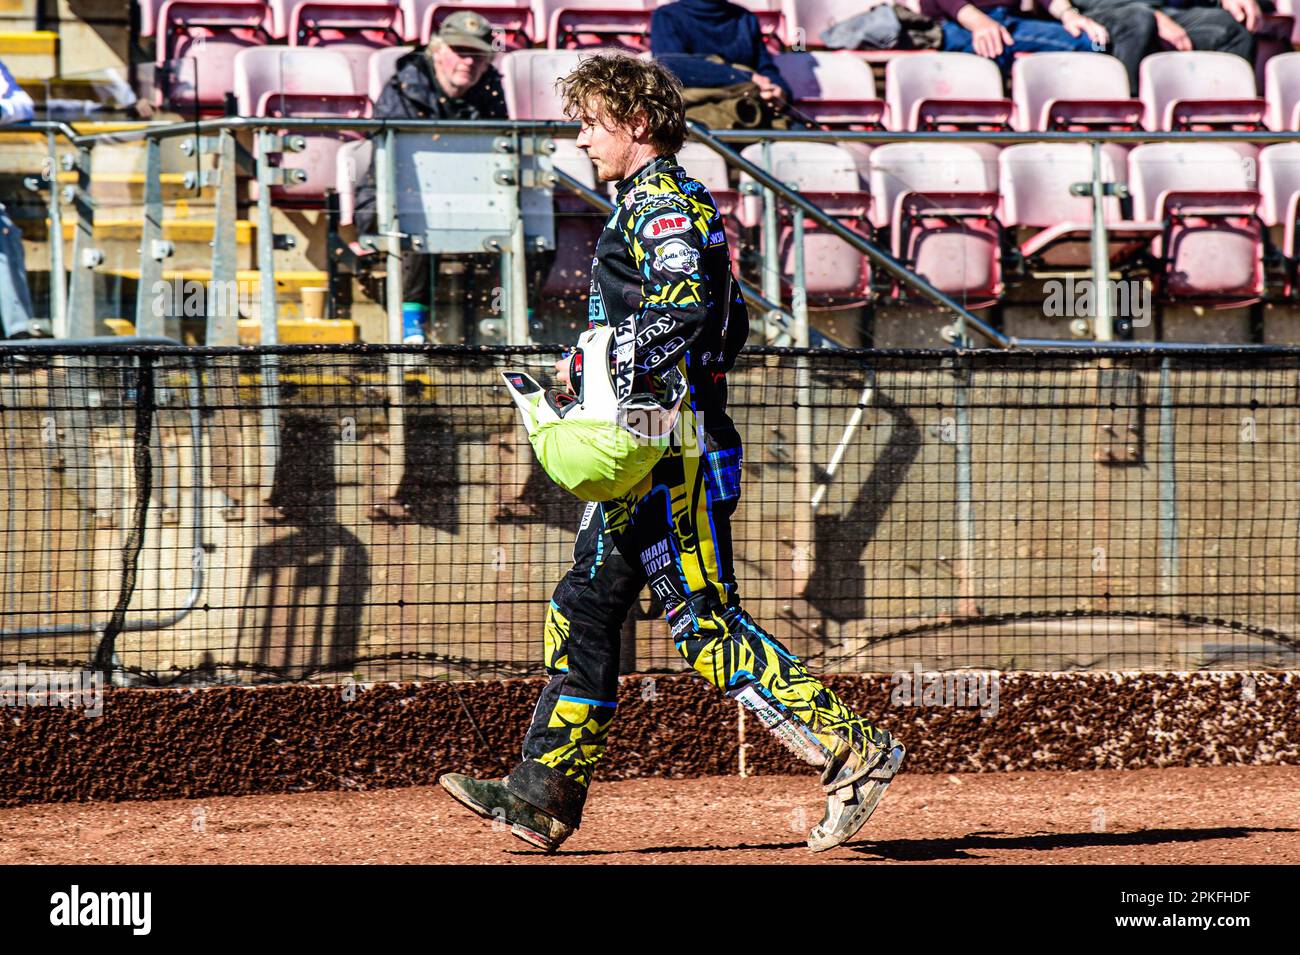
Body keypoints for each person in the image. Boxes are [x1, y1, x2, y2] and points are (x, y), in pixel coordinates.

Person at [438, 53, 905, 854]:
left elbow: (684, 313)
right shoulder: (657, 201)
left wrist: (592, 364)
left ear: (637, 123)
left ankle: (852, 751)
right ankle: (540, 793)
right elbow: (705, 321)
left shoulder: (660, 201)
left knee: (703, 626)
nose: (581, 137)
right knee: (583, 603)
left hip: (675, 449)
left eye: (592, 122)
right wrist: (594, 361)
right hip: (649, 444)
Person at [351, 10, 508, 309]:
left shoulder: (489, 86)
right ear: (437, 51)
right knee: (419, 208)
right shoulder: (403, 85)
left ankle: (508, 316)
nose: (469, 61)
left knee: (533, 211)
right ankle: (412, 329)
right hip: (397, 198)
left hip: (470, 196)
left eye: (477, 54)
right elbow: (395, 162)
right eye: (460, 51)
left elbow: (498, 148)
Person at [922, 0, 1157, 96]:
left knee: (1094, 43)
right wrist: (978, 22)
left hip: (1011, 21)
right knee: (992, 51)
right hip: (953, 24)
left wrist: (1069, 14)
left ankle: (1092, 116)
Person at [650, 0, 791, 108]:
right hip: (699, 117)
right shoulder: (667, 16)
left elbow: (765, 67)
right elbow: (670, 65)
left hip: (752, 109)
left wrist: (779, 90)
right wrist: (745, 77)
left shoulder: (745, 18)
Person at [1071, 0, 1259, 63]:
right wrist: (1153, 16)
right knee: (1140, 22)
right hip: (1100, 12)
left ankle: (1219, 125)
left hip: (1164, 11)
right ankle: (1127, 126)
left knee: (1231, 29)